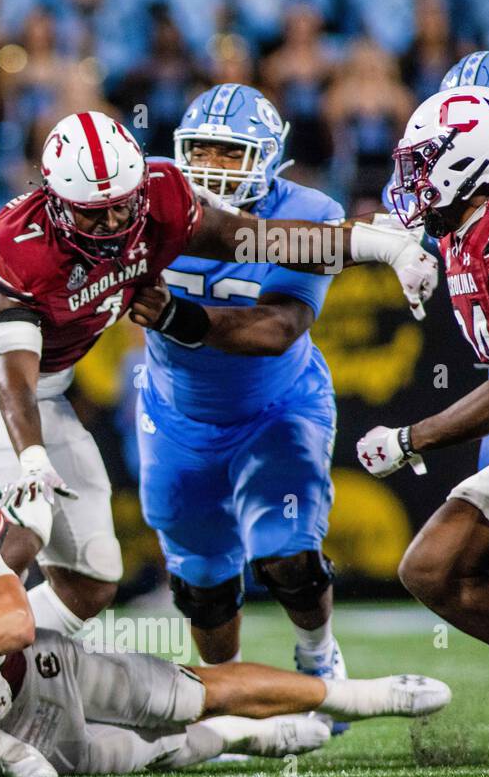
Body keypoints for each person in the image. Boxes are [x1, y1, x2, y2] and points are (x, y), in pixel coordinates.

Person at [0, 109, 438, 646]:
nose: (116, 224)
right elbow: (13, 382)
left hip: (46, 390)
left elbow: (264, 241)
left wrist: (383, 246)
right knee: (24, 522)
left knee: (91, 580)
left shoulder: (160, 197)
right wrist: (31, 458)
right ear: (55, 201)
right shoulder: (21, 246)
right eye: (96, 214)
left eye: (124, 205)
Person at [0, 463, 451, 777]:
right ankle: (240, 737)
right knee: (161, 750)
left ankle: (365, 694)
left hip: (41, 672)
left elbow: (18, 621)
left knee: (185, 690)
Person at [125, 85, 348, 723]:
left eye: (231, 152)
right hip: (174, 414)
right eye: (202, 150)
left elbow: (276, 328)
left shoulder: (307, 213)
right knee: (203, 589)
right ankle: (224, 693)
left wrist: (178, 316)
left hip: (278, 406)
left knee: (288, 558)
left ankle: (318, 659)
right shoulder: (151, 206)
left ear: (269, 158)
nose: (213, 167)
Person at [356, 84, 489, 647]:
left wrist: (414, 438)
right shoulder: (463, 226)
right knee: (431, 568)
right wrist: (396, 250)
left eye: (425, 162)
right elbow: (380, 228)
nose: (413, 180)